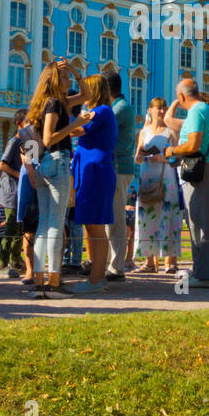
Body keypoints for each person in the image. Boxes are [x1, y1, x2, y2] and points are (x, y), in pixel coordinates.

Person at [26, 59, 93, 298]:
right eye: (64, 77)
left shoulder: (53, 102)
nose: (69, 82)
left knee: (45, 223)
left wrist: (74, 70)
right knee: (55, 223)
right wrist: (76, 124)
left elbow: (86, 94)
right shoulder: (55, 104)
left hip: (46, 165)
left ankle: (39, 280)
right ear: (54, 80)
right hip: (57, 161)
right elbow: (47, 139)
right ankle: (53, 280)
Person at [162, 76, 209, 289]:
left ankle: (203, 275)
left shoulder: (196, 111)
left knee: (199, 223)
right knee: (200, 221)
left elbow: (193, 144)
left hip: (202, 172)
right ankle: (200, 270)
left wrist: (173, 150)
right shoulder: (207, 110)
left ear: (181, 96)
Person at [70, 74, 118, 293]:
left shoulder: (101, 111)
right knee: (92, 225)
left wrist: (62, 114)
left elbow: (77, 129)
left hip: (95, 171)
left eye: (84, 90)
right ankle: (97, 276)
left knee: (95, 225)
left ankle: (96, 278)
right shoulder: (101, 112)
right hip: (91, 169)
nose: (82, 95)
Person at [135, 97, 182, 273]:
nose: (161, 111)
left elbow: (177, 158)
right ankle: (149, 262)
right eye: (158, 108)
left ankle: (170, 262)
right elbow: (137, 157)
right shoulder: (144, 131)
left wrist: (161, 158)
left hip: (166, 179)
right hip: (147, 178)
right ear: (150, 110)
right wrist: (143, 156)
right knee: (147, 219)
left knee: (167, 217)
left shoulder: (170, 131)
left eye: (164, 108)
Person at [104, 71, 136, 279]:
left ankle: (117, 267)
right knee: (110, 219)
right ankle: (109, 262)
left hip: (119, 167)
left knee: (115, 219)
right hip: (116, 166)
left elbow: (101, 124)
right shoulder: (119, 107)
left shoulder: (120, 109)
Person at [0, 109, 30, 279]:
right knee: (10, 228)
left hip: (24, 192)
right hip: (12, 192)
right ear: (19, 124)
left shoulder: (30, 143)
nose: (31, 125)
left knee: (21, 229)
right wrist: (19, 175)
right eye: (28, 122)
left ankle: (15, 260)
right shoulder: (14, 142)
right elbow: (2, 165)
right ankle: (1, 263)